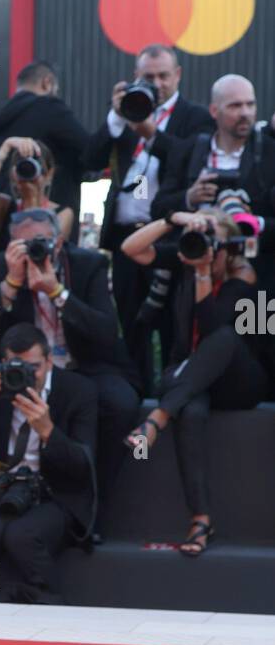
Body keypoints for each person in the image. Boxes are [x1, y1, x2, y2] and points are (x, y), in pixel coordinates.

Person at [120, 209, 267, 555]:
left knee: (226, 339)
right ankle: (201, 521)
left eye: (211, 239)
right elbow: (131, 248)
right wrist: (175, 220)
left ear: (227, 248)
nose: (203, 246)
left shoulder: (243, 276)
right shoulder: (189, 253)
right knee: (192, 411)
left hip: (237, 381)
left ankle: (156, 419)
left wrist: (203, 274)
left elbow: (214, 329)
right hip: (189, 380)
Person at [0, 207, 140, 526]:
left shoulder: (88, 263)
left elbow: (106, 332)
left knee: (122, 403)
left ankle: (95, 500)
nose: (34, 250)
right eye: (23, 244)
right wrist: (10, 285)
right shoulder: (3, 265)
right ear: (12, 244)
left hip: (87, 364)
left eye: (41, 242)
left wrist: (57, 292)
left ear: (59, 242)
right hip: (29, 369)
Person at [83, 43, 214, 387]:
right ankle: (135, 400)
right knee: (131, 326)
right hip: (126, 238)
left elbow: (188, 160)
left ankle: (169, 398)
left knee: (174, 324)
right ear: (135, 77)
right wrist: (115, 116)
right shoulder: (129, 109)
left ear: (178, 76)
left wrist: (152, 134)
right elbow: (90, 159)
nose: (156, 83)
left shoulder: (194, 116)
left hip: (171, 239)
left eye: (163, 76)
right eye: (148, 76)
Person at [0, 323, 98, 601]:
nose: (27, 376)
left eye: (35, 368)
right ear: (4, 363)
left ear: (49, 360)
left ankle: (49, 607)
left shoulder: (78, 391)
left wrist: (48, 432)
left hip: (53, 493)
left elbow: (82, 466)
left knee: (22, 535)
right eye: (17, 367)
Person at [151, 74, 275, 291]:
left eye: (250, 104)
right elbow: (157, 208)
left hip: (257, 280)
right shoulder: (188, 152)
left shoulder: (270, 153)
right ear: (214, 111)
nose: (245, 113)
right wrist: (189, 198)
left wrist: (252, 222)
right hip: (192, 275)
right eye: (235, 106)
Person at [0, 60, 88, 233]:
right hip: (11, 217)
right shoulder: (50, 108)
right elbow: (90, 151)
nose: (28, 174)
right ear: (47, 83)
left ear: (48, 174)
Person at [0, 137, 74, 255]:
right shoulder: (4, 206)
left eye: (35, 167)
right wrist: (5, 148)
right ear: (13, 173)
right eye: (23, 167)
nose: (28, 172)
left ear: (49, 174)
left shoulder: (63, 214)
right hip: (3, 273)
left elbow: (43, 255)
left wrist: (32, 200)